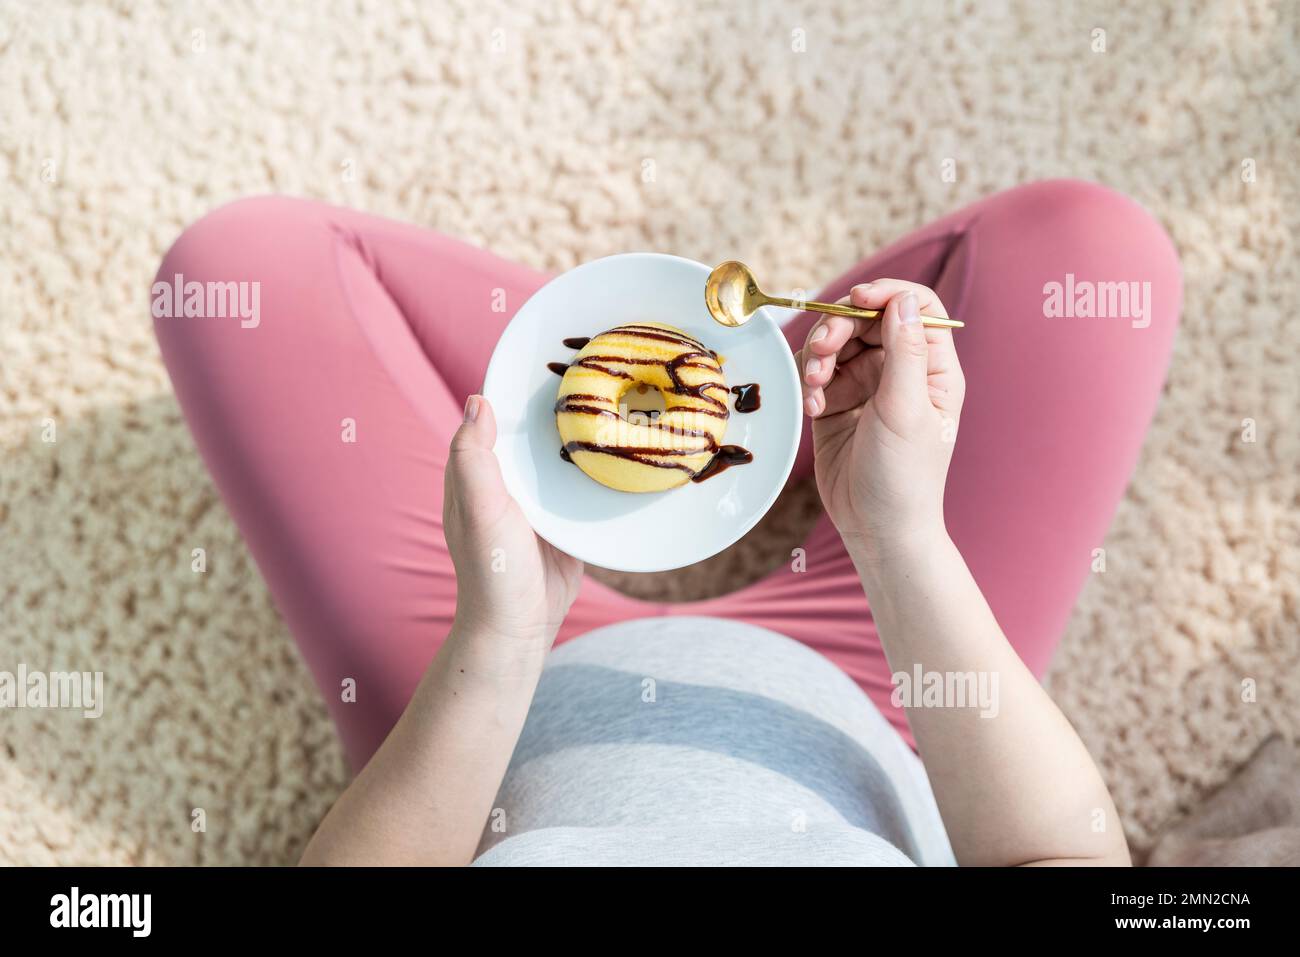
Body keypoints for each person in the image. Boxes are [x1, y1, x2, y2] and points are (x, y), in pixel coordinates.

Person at [152, 180, 1181, 865]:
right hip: (892, 677)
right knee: (1093, 261)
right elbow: (1062, 855)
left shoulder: (490, 652)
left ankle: (712, 365)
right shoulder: (897, 578)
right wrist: (899, 539)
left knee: (232, 274)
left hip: (475, 697)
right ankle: (756, 374)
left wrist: (499, 641)